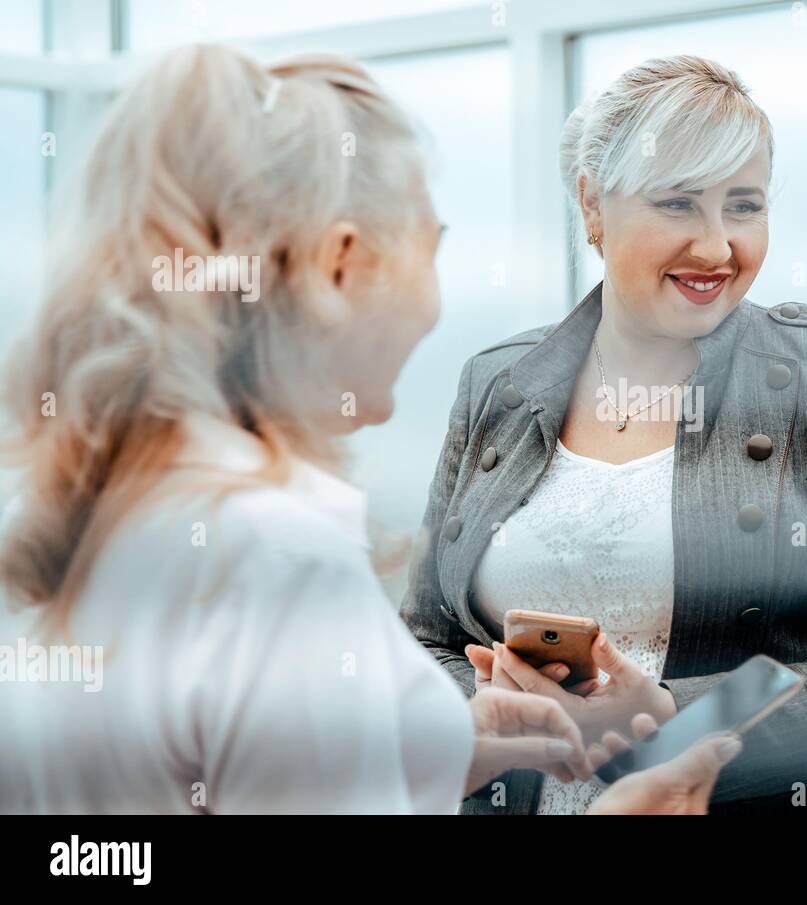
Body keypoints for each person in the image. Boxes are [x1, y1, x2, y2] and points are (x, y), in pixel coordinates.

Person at [0, 44, 734, 815]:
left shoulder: (107, 508)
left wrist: (429, 748)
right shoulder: (277, 552)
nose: (436, 299)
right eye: (431, 246)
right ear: (340, 265)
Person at [401, 55, 807, 815]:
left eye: (744, 205)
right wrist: (496, 707)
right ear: (593, 205)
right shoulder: (498, 383)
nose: (716, 248)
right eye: (677, 204)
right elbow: (427, 641)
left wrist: (671, 715)